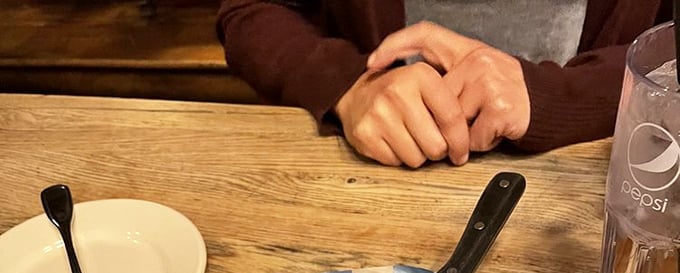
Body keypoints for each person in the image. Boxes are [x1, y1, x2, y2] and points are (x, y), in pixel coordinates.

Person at [216, 1, 672, 168]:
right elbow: (249, 12)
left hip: (593, 180)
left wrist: (557, 97)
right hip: (369, 173)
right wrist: (348, 85)